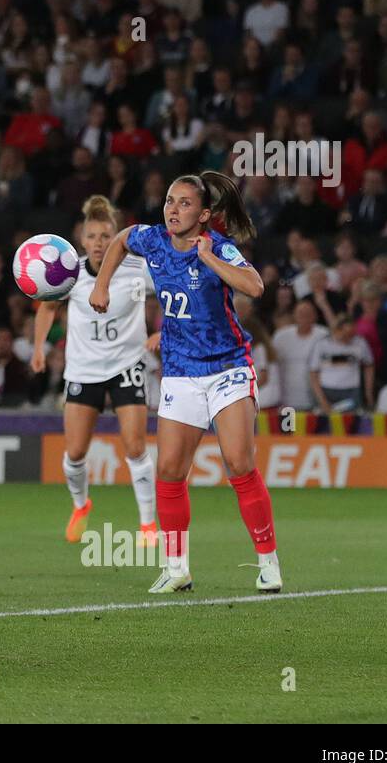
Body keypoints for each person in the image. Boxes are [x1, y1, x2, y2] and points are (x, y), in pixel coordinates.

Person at [90, 170, 281, 595]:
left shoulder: (221, 248)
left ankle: (268, 562)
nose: (173, 210)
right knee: (171, 470)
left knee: (238, 463)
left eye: (184, 204)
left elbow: (255, 285)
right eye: (170, 201)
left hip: (228, 367)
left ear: (204, 214)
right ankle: (177, 568)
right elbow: (121, 238)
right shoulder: (153, 239)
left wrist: (210, 258)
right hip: (181, 371)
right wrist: (101, 283)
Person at [32, 195, 157, 546]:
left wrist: (163, 329)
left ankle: (148, 524)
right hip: (83, 369)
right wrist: (40, 347)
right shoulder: (70, 273)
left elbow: (171, 293)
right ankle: (80, 504)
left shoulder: (137, 269)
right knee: (74, 453)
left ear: (116, 237)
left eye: (106, 236)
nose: (99, 243)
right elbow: (46, 307)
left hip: (127, 364)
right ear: (82, 240)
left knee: (134, 446)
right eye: (92, 237)